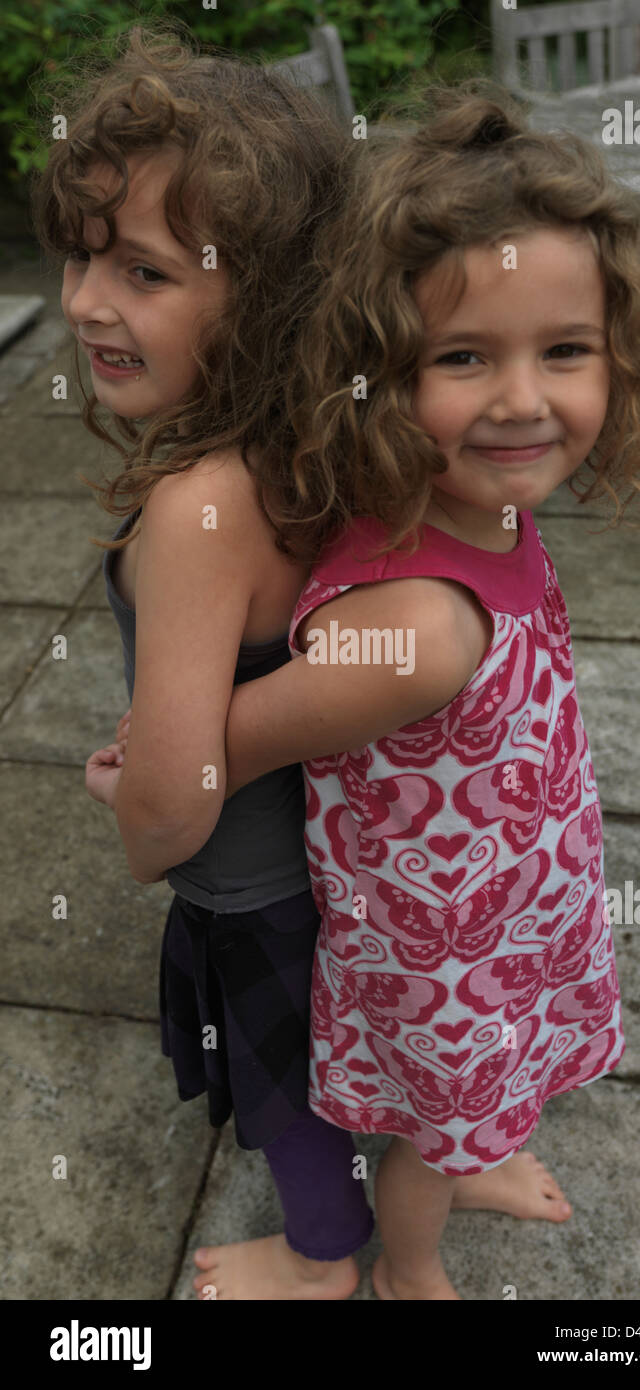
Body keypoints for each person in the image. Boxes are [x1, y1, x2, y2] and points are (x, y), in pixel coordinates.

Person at [217, 81, 640, 1299]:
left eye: (564, 351)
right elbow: (224, 741)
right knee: (428, 1129)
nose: (520, 399)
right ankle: (412, 1261)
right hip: (433, 951)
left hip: (511, 892)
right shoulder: (412, 629)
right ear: (379, 375)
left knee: (491, 1086)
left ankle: (475, 1151)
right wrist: (143, 760)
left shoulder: (483, 506)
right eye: (460, 357)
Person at [31, 22, 375, 1300]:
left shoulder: (192, 508)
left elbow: (177, 797)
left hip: (249, 882)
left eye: (143, 271)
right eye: (77, 256)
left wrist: (135, 811)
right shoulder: (318, 443)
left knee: (285, 1089)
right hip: (343, 855)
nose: (82, 303)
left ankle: (321, 1259)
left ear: (270, 291)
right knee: (346, 1048)